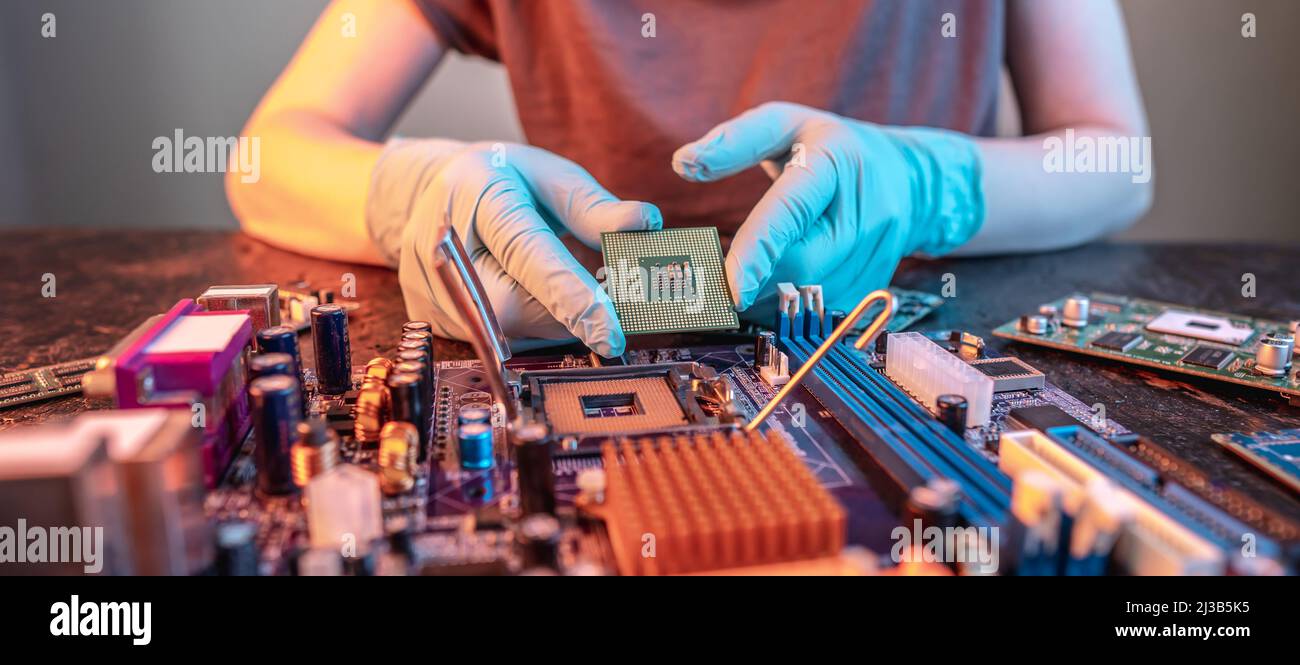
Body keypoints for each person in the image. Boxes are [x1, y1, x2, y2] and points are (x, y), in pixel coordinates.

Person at [227, 0, 1152, 358]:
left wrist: (924, 181)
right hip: (581, 334)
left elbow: (1115, 162)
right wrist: (414, 194)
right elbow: (271, 156)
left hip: (901, 336)